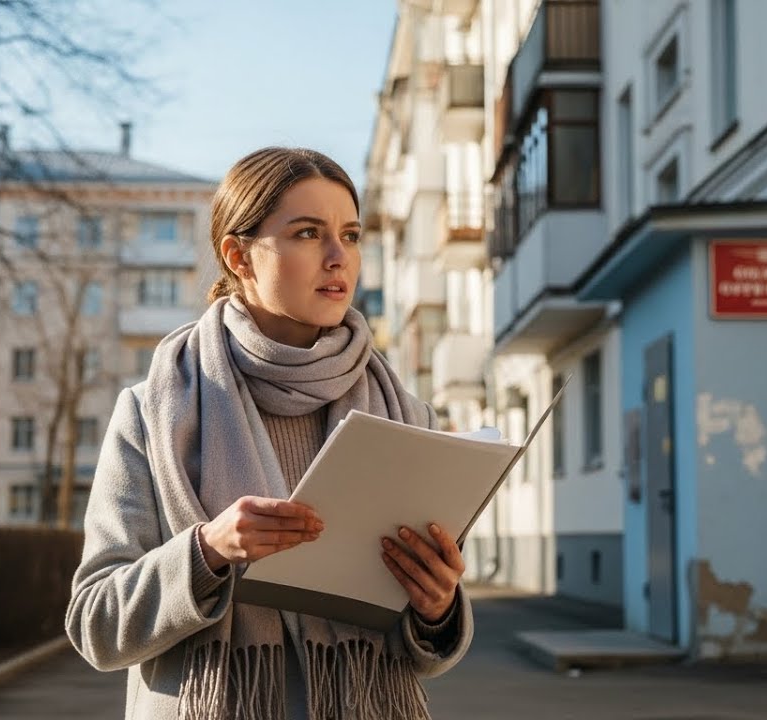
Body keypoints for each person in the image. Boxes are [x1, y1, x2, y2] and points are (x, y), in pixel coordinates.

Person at [66, 147, 472, 720]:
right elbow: (95, 625)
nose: (339, 257)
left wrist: (438, 608)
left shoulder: (405, 416)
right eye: (308, 233)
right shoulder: (151, 412)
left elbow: (424, 652)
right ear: (239, 255)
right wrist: (207, 552)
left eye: (352, 235)